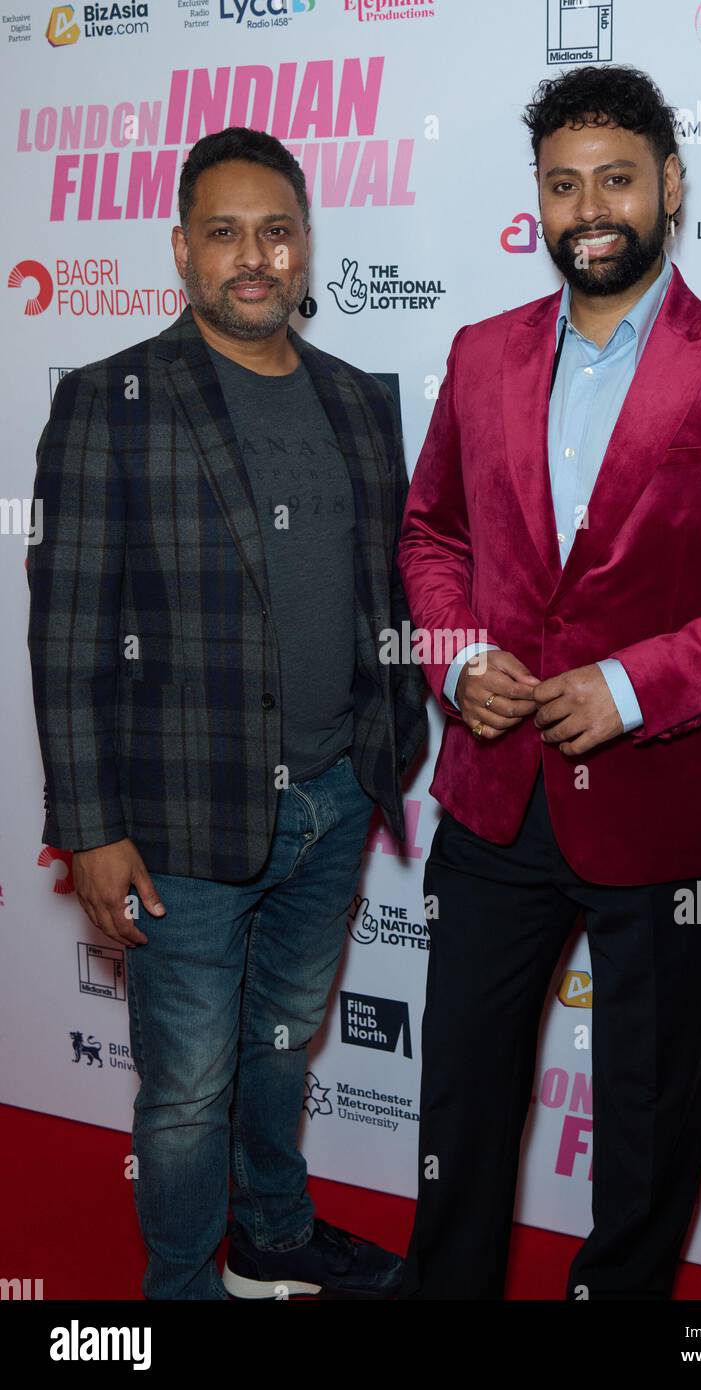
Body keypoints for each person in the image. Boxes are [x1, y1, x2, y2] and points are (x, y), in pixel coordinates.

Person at [396, 64, 701, 1300]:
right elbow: (429, 535)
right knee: (460, 1104)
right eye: (561, 185)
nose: (588, 207)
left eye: (615, 179)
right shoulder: (480, 355)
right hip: (494, 801)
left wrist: (633, 684)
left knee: (644, 1138)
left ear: (668, 187)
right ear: (535, 202)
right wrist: (453, 658)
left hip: (667, 810)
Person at [27, 126, 427, 1301]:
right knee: (187, 1080)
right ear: (182, 251)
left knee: (276, 1042)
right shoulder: (113, 401)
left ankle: (272, 1232)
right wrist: (87, 827)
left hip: (336, 796)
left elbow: (383, 592)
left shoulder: (360, 400)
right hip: (179, 820)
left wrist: (386, 743)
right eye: (224, 233)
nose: (253, 256)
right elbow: (66, 635)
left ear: (304, 247)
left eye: (276, 230)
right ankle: (179, 1286)